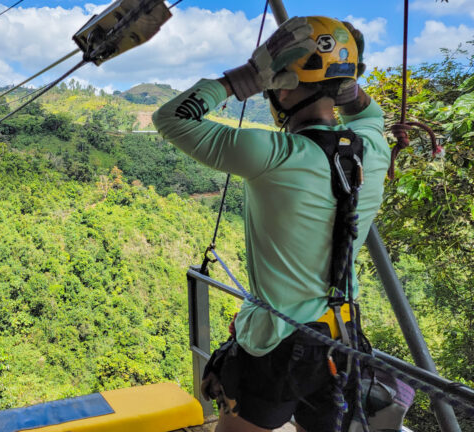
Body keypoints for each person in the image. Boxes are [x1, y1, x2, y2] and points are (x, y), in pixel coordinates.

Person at [152, 16, 390, 432]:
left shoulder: (273, 153)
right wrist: (341, 76)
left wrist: (241, 78)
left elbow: (171, 117)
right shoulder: (373, 146)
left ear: (281, 86)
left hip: (275, 341)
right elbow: (366, 110)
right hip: (341, 335)